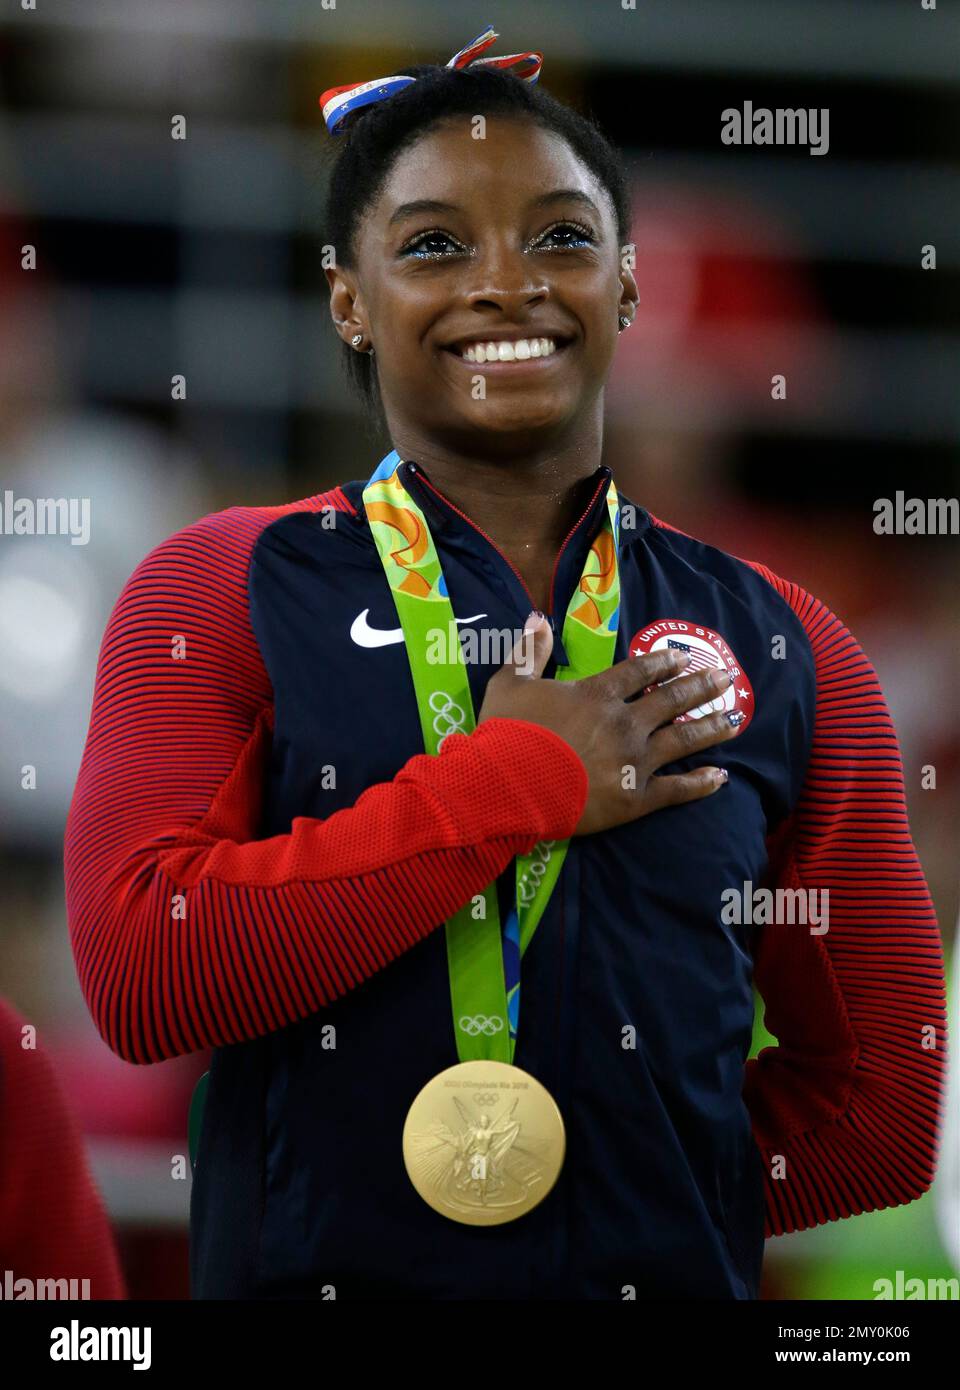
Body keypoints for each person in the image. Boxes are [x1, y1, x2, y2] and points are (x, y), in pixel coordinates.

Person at [64, 27, 947, 1300]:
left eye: (561, 238)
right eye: (433, 246)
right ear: (347, 297)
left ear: (628, 285)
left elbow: (881, 1105)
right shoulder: (222, 585)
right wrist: (516, 782)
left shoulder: (788, 642)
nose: (507, 284)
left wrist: (618, 1199)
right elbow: (147, 973)